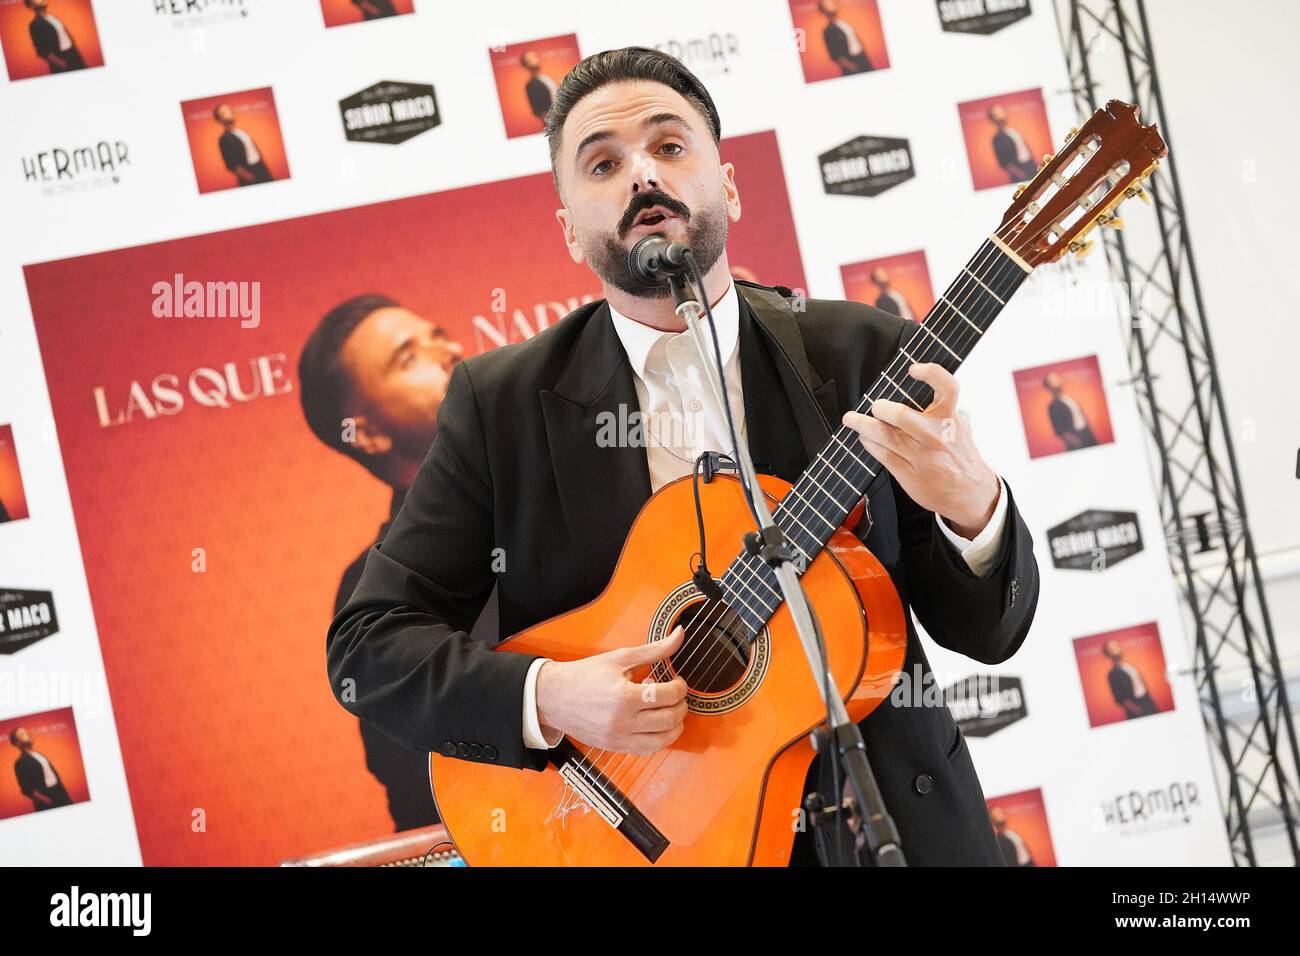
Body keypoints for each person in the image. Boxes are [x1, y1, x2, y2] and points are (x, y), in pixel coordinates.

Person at [328, 47, 1040, 866]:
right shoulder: (501, 406)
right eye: (604, 162)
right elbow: (369, 644)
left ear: (729, 186)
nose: (642, 176)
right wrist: (552, 697)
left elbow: (988, 633)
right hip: (646, 839)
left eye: (669, 146)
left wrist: (973, 507)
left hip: (897, 836)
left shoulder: (863, 354)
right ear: (569, 232)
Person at [299, 294, 464, 830]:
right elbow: (425, 793)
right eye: (408, 357)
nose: (450, 352)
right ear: (365, 432)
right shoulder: (373, 591)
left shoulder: (567, 469)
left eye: (438, 335)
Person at [9, 727, 73, 813]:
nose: (27, 735)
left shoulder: (38, 754)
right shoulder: (20, 762)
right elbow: (26, 789)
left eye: (27, 732)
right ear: (17, 743)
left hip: (60, 792)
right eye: (23, 734)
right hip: (48, 798)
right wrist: (46, 801)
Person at [214, 104, 273, 188]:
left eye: (229, 110)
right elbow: (230, 164)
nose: (230, 112)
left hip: (261, 167)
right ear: (220, 120)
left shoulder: (241, 131)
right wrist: (249, 177)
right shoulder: (224, 138)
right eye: (224, 112)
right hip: (250, 173)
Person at [24, 0, 86, 74]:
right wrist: (60, 63)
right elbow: (41, 50)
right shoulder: (35, 25)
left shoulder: (53, 17)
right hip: (62, 59)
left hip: (73, 54)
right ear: (30, 6)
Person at [1104, 639, 1158, 719]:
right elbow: (1119, 698)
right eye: (1112, 649)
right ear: (1108, 654)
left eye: (1117, 646)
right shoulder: (1113, 674)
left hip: (1147, 700)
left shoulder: (1128, 666)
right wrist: (1136, 709)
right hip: (1137, 707)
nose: (1116, 649)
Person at [1043, 370, 1097, 450]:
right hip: (1077, 439)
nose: (1056, 383)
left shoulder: (1069, 398)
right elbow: (1059, 430)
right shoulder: (1053, 406)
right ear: (1048, 387)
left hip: (1087, 433)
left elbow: (1080, 416)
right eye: (1052, 382)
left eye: (1056, 379)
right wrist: (1076, 442)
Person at [819, 0, 874, 76]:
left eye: (832, 3)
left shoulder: (843, 23)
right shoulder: (828, 30)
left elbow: (855, 40)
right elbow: (834, 54)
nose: (832, 6)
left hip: (862, 58)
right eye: (827, 5)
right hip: (852, 62)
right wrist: (851, 67)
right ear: (823, 11)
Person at [988, 104, 1039, 183]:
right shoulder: (997, 139)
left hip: (1032, 166)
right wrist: (1022, 176)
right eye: (996, 114)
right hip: (1022, 173)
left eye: (1001, 112)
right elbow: (1005, 163)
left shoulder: (1012, 131)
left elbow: (1024, 148)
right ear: (992, 119)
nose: (1000, 115)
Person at [522, 50, 558, 126]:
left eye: (534, 57)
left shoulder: (546, 78)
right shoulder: (531, 85)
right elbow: (539, 111)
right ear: (525, 65)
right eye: (529, 60)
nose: (532, 60)